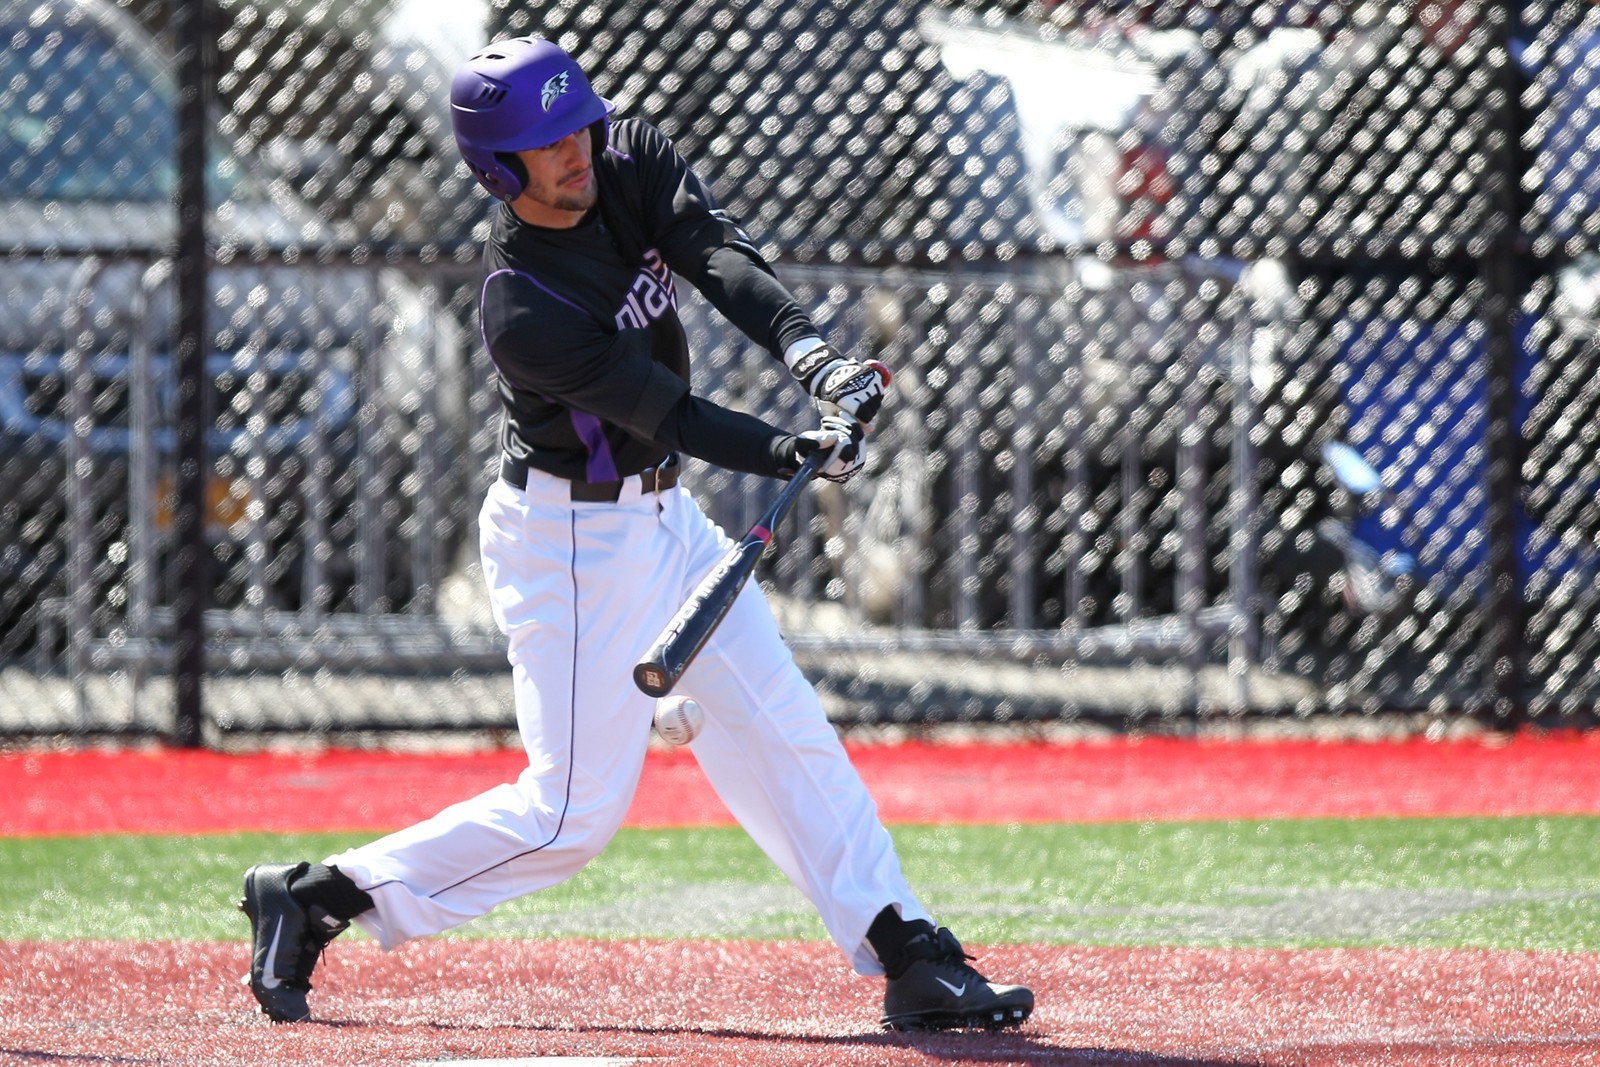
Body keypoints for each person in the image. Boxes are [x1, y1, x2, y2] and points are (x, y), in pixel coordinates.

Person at [238, 35, 1034, 1034]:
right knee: (568, 816)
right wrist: (796, 447)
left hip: (665, 521)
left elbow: (715, 252)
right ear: (498, 167)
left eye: (579, 123)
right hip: (569, 548)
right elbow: (671, 413)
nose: (577, 149)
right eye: (549, 141)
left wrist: (812, 357)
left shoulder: (623, 158)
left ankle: (909, 949)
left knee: (782, 724)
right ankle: (319, 895)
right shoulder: (521, 304)